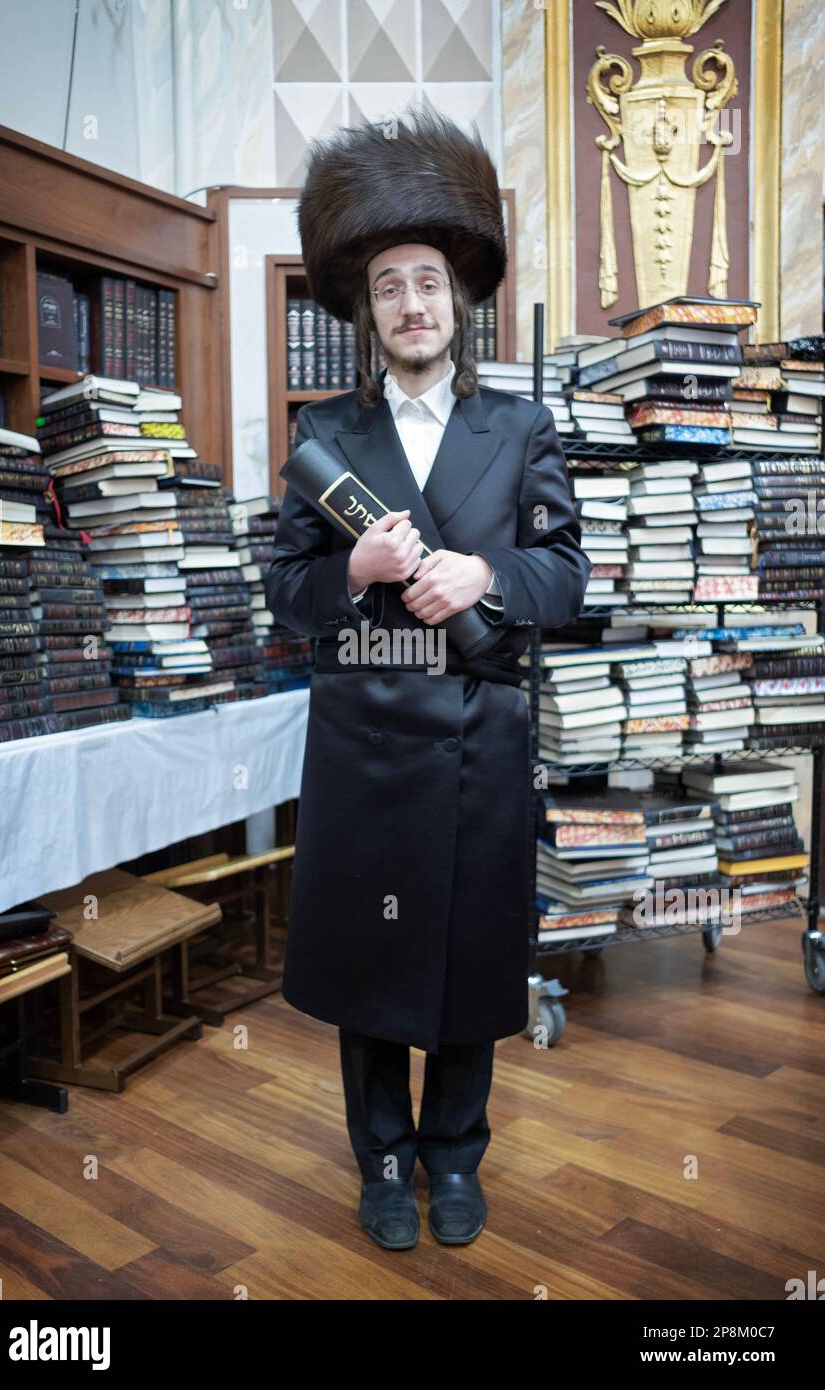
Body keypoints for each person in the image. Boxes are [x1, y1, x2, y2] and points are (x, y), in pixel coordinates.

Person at [266, 104, 590, 1251]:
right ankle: (382, 1160)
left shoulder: (520, 425)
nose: (411, 303)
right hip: (360, 735)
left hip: (478, 734)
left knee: (462, 956)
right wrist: (350, 568)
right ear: (368, 308)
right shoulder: (324, 436)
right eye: (390, 285)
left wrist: (482, 575)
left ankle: (454, 1156)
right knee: (370, 964)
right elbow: (282, 594)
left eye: (428, 283)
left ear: (459, 300)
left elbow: (567, 570)